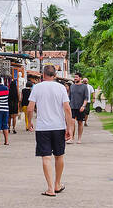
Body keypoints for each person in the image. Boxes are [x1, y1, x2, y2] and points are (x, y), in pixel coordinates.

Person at [28, 64, 75, 197]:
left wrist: (29, 122)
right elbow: (67, 109)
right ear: (54, 75)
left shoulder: (37, 87)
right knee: (59, 155)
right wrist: (69, 128)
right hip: (59, 127)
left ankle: (50, 188)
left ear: (43, 75)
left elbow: (30, 108)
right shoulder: (61, 88)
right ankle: (57, 184)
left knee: (46, 157)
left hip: (43, 127)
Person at [68, 72, 92, 144]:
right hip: (72, 107)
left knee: (80, 122)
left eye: (76, 77)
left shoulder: (84, 87)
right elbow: (69, 97)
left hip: (81, 107)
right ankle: (71, 138)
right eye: (74, 77)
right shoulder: (72, 86)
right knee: (72, 122)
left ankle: (79, 139)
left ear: (80, 78)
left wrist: (83, 106)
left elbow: (86, 98)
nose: (75, 78)